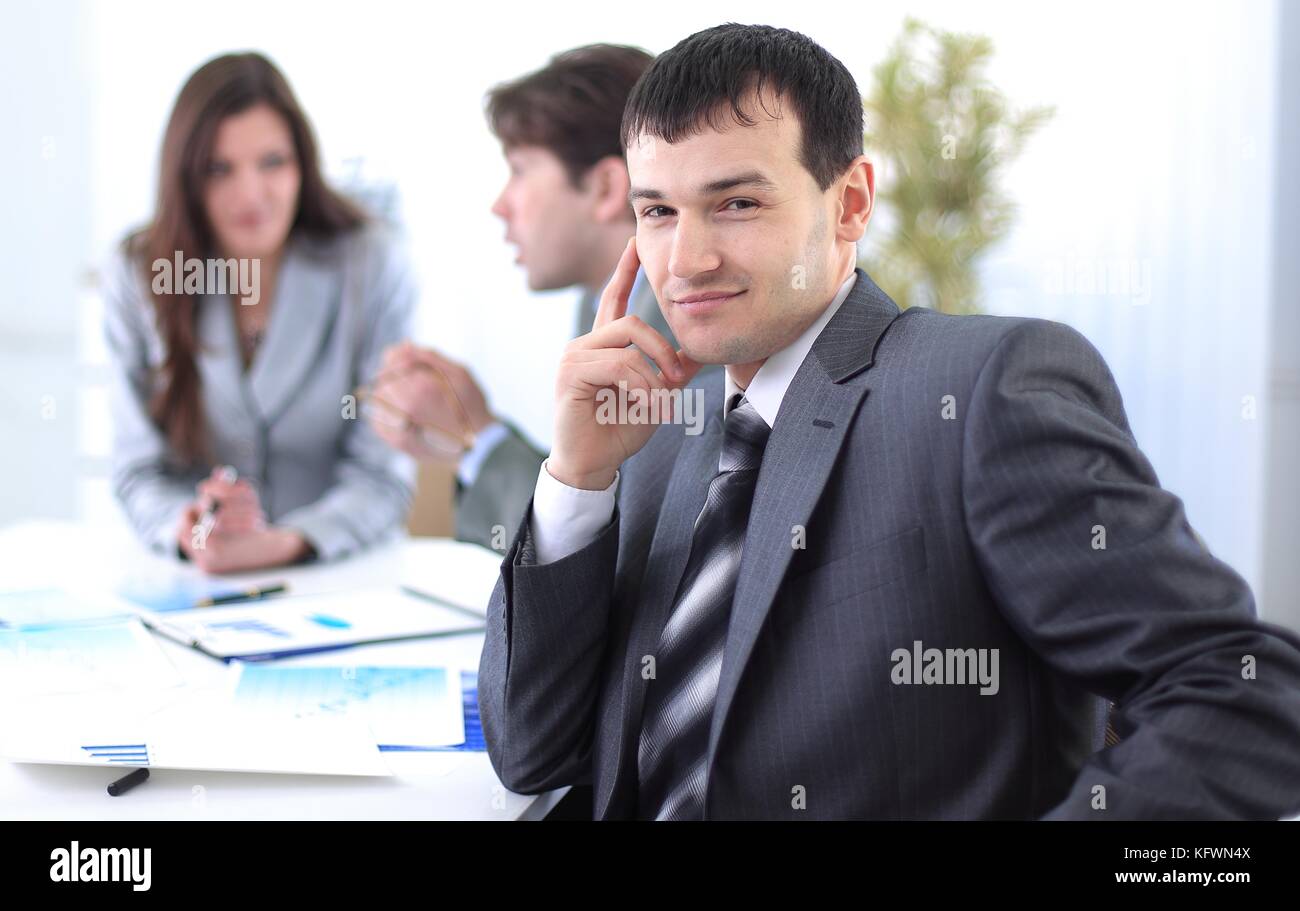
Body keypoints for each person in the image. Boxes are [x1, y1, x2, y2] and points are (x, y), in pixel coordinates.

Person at [478, 24, 1300, 820]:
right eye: (658, 212)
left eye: (735, 202)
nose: (686, 260)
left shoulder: (982, 390)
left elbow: (1244, 690)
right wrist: (575, 481)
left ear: (851, 204)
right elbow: (531, 755)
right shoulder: (659, 429)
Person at [369, 44, 704, 550]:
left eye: (521, 169)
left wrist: (478, 440)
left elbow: (618, 551)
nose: (500, 205)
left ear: (607, 187)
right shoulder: (604, 309)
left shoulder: (689, 335)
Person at [104, 52, 416, 574]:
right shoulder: (140, 271)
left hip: (336, 574)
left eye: (273, 162)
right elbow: (137, 470)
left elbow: (381, 476)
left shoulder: (371, 262)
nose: (250, 193)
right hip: (190, 577)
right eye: (219, 169)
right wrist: (187, 528)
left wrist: (287, 543)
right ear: (186, 180)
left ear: (303, 164)